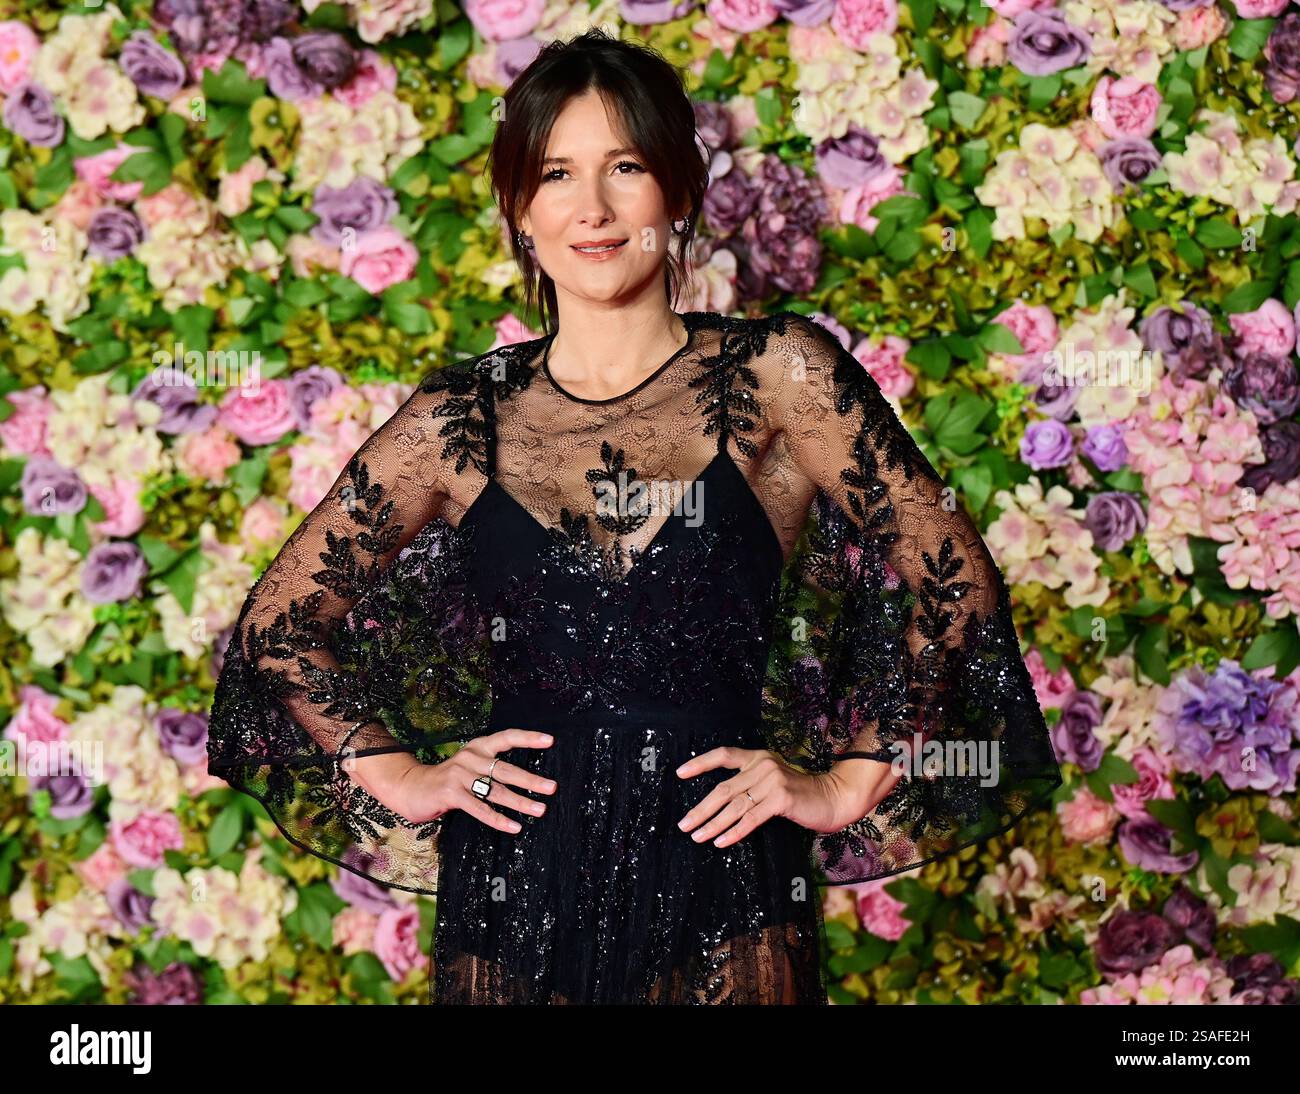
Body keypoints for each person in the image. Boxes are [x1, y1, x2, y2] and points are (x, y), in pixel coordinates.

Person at [206, 28, 1062, 1005]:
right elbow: (278, 625)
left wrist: (847, 778)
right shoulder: (459, 418)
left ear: (679, 191)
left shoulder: (776, 374)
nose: (595, 208)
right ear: (520, 212)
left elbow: (945, 564)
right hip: (512, 877)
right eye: (557, 173)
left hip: (724, 864)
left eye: (625, 166)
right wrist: (404, 775)